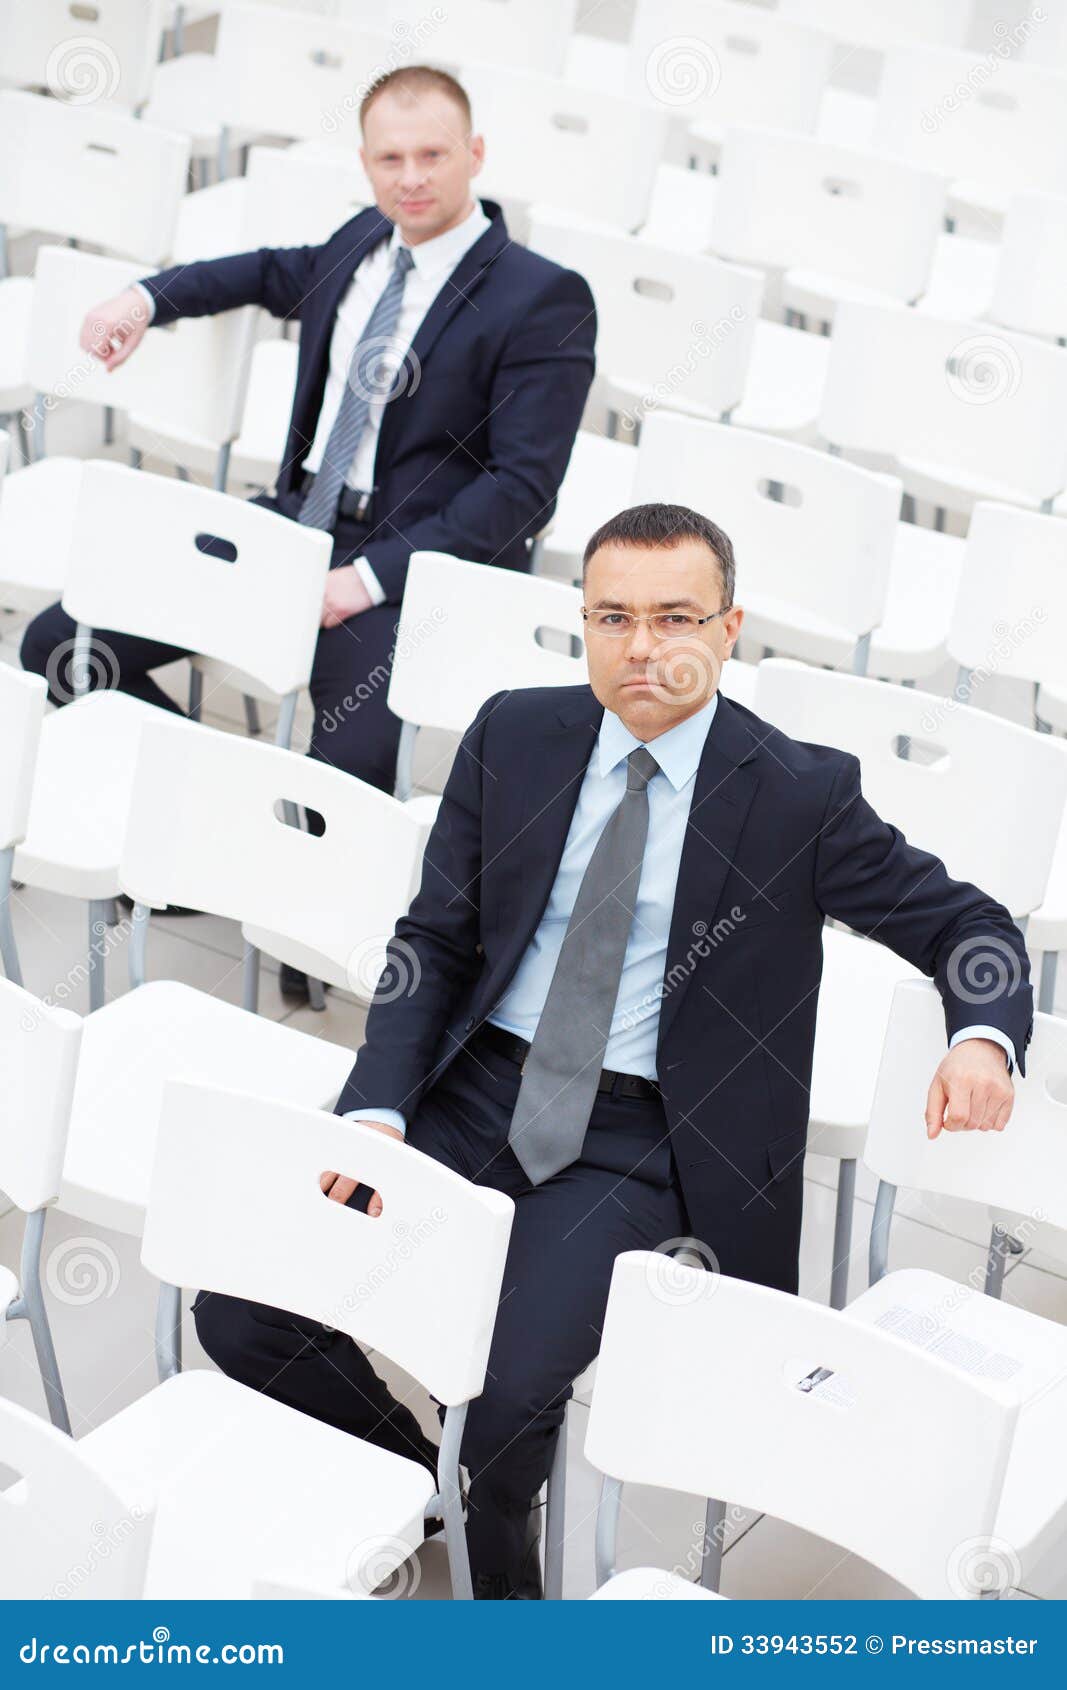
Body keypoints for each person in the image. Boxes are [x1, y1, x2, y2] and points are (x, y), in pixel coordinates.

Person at [192, 503, 1030, 1598]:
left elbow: (970, 926)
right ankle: (419, 1479)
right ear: (582, 622)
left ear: (729, 632)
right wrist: (376, 1111)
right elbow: (430, 943)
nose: (642, 647)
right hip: (469, 1087)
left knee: (497, 1412)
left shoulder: (795, 794)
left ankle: (508, 1613)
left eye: (675, 617)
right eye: (613, 617)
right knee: (241, 1306)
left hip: (634, 1142)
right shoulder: (513, 734)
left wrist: (979, 1039)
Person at [20, 64, 596, 994]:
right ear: (366, 165)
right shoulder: (366, 239)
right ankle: (211, 846)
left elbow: (522, 492)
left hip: (413, 566)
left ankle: (304, 927)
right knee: (63, 642)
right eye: (390, 159)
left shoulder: (541, 296)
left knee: (355, 754)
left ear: (476, 155)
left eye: (433, 156)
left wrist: (363, 584)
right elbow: (264, 272)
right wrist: (146, 299)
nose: (411, 178)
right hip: (299, 528)